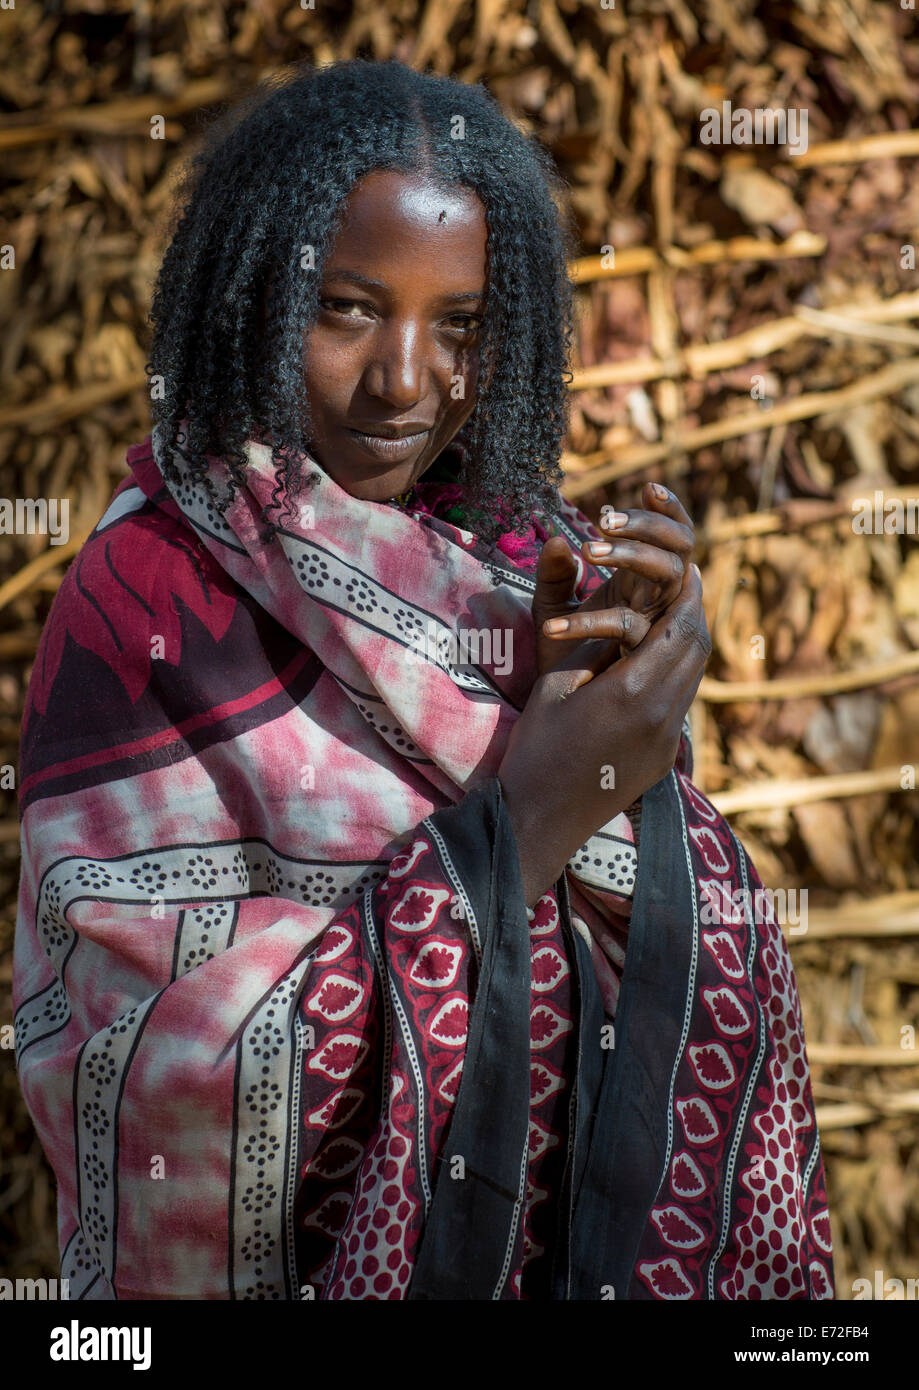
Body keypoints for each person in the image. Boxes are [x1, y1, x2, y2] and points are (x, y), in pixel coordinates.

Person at [12, 58, 833, 1301]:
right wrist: (528, 824)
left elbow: (630, 952)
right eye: (345, 308)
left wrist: (630, 711)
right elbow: (153, 1090)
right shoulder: (143, 603)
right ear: (248, 297)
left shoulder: (515, 565)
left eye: (460, 324)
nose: (406, 379)